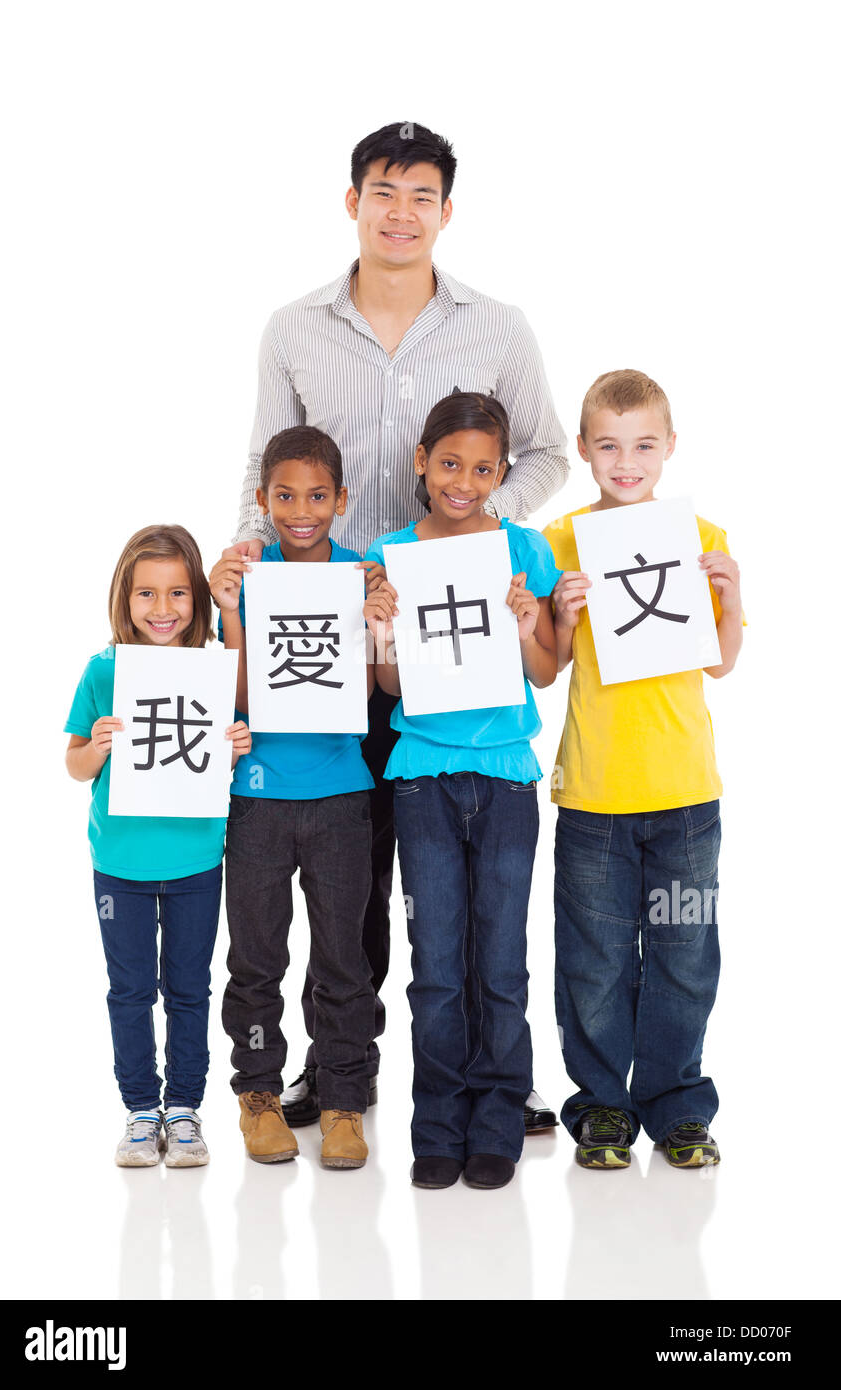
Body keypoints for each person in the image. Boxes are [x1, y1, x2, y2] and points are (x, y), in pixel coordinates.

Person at [231, 120, 568, 1134]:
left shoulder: (497, 327)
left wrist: (469, 535)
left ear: (445, 212)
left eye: (421, 194)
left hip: (454, 621)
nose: (400, 210)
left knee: (466, 865)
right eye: (383, 190)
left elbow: (543, 454)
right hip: (333, 622)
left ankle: (491, 1070)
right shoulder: (293, 328)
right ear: (352, 201)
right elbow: (263, 472)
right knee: (352, 857)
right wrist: (244, 569)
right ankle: (345, 1072)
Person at [545, 369, 744, 1170]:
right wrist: (560, 615)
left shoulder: (702, 536)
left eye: (643, 446)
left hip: (686, 794)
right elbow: (545, 668)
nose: (626, 463)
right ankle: (601, 1107)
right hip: (595, 791)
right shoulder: (561, 541)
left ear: (668, 449)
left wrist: (732, 594)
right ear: (585, 449)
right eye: (609, 446)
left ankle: (678, 1105)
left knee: (684, 951)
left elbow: (723, 663)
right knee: (592, 959)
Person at [363, 393, 561, 1189]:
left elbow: (547, 668)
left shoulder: (524, 549)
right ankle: (437, 1125)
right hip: (422, 776)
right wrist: (379, 627)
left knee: (500, 958)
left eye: (484, 469)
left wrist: (524, 624)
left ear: (503, 473)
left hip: (507, 773)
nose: (464, 482)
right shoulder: (392, 553)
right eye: (450, 464)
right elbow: (387, 684)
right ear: (421, 461)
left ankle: (498, 1118)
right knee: (437, 961)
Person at [211, 426, 377, 1170]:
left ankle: (344, 1100)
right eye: (284, 496)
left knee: (343, 960)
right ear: (262, 500)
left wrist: (378, 621)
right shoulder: (247, 578)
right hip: (258, 798)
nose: (300, 511)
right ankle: (258, 1093)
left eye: (317, 496)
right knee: (256, 957)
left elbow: (370, 696)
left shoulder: (361, 573)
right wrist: (236, 614)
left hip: (343, 794)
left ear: (342, 500)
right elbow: (238, 696)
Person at [64, 525, 251, 1167]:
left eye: (177, 593)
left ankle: (186, 1111)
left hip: (197, 858)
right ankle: (141, 1111)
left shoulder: (210, 668)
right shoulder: (104, 669)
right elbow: (74, 766)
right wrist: (98, 745)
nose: (163, 609)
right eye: (147, 593)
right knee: (130, 989)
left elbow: (209, 768)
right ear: (125, 597)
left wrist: (231, 749)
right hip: (120, 863)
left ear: (196, 598)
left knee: (190, 988)